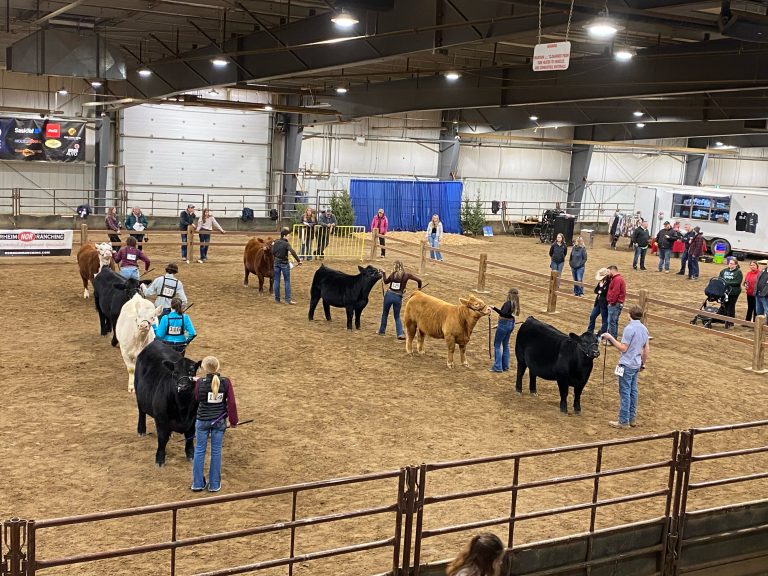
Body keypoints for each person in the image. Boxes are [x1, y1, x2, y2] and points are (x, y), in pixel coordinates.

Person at [191, 355, 239, 493]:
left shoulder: (200, 382)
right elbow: (231, 403)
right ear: (217, 367)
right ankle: (214, 484)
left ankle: (197, 483)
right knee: (216, 451)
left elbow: (197, 398)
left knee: (200, 450)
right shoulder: (226, 382)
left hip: (202, 421)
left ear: (204, 368)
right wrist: (233, 421)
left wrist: (198, 382)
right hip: (218, 421)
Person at [600, 305, 650, 430]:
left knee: (625, 392)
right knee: (633, 391)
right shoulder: (644, 329)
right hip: (636, 364)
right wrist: (642, 363)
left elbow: (623, 348)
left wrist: (610, 338)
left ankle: (623, 420)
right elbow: (646, 349)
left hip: (627, 363)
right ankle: (632, 418)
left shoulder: (629, 329)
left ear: (630, 315)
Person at [378, 260, 422, 339]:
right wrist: (419, 289)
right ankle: (400, 333)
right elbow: (419, 280)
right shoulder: (406, 275)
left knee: (385, 314)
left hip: (388, 295)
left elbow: (385, 282)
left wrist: (383, 273)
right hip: (398, 297)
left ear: (395, 266)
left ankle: (382, 331)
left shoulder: (393, 274)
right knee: (397, 316)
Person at [489, 288, 519, 373]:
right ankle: (505, 366)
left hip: (504, 324)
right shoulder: (515, 304)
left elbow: (504, 313)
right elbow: (509, 315)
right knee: (505, 345)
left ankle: (498, 366)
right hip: (510, 324)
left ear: (509, 294)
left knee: (497, 345)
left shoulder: (508, 303)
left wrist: (494, 308)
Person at [272, 226, 302, 305]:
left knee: (276, 280)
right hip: (284, 263)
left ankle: (277, 299)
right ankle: (287, 300)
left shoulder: (275, 242)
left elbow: (272, 252)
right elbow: (292, 252)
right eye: (288, 235)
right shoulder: (286, 244)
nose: (289, 236)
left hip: (276, 263)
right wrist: (299, 260)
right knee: (287, 281)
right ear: (285, 236)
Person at [719, 257, 743, 329]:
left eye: (732, 264)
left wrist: (726, 283)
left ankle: (731, 323)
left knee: (731, 307)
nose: (730, 265)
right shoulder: (724, 271)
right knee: (725, 306)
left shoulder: (738, 272)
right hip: (724, 292)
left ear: (736, 265)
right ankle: (724, 320)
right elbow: (720, 278)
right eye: (730, 263)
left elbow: (737, 282)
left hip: (733, 292)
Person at [587, 267, 612, 336]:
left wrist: (600, 290)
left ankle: (603, 333)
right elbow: (596, 290)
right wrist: (600, 290)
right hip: (598, 302)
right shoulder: (601, 282)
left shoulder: (609, 282)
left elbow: (605, 292)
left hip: (604, 303)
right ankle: (590, 330)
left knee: (604, 319)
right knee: (592, 316)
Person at [606, 265, 626, 338]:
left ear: (612, 270)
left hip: (614, 304)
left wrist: (611, 302)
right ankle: (613, 338)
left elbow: (615, 292)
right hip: (616, 303)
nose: (607, 273)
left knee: (612, 322)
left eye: (608, 271)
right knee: (614, 321)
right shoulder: (617, 279)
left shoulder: (617, 279)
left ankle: (612, 339)